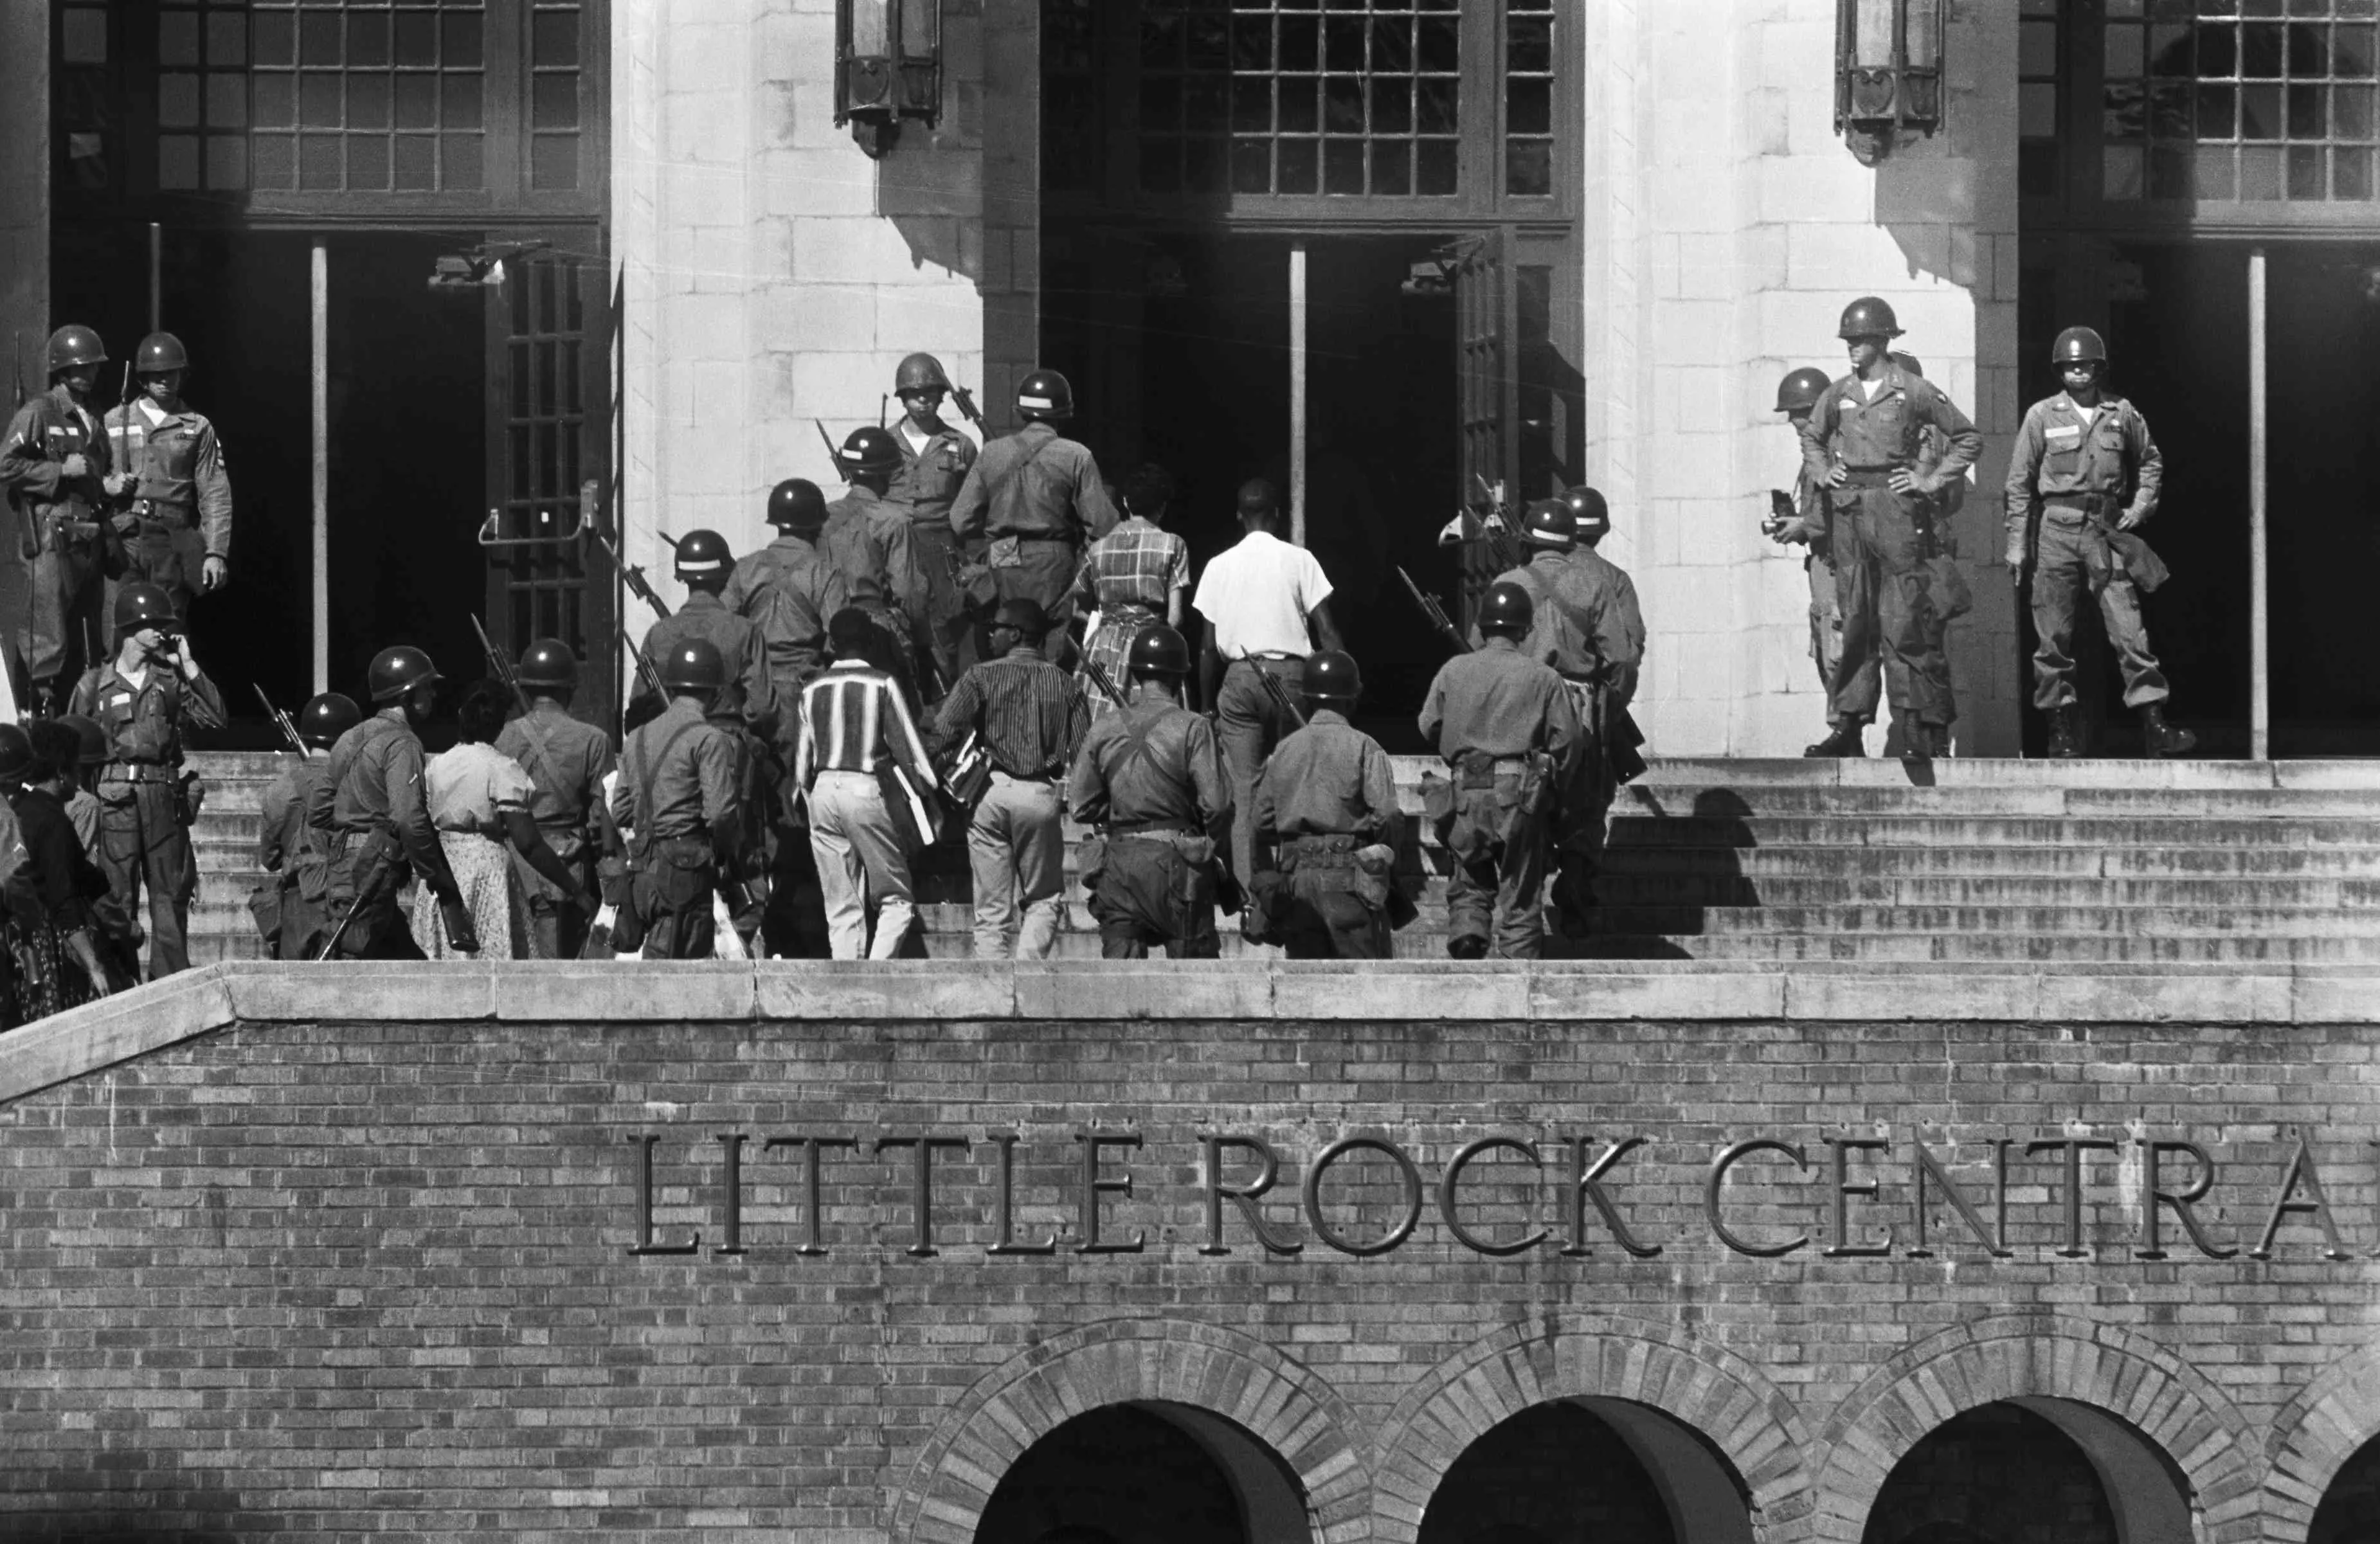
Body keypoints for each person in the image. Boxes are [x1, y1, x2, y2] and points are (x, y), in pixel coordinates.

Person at [1798, 296, 1982, 762]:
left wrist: (1930, 480)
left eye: (1860, 341)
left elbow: (1967, 438)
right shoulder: (1837, 393)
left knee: (1905, 622)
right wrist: (1821, 472)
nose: (1852, 349)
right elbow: (1812, 438)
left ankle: (1919, 726)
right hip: (1848, 514)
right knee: (1854, 620)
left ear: (1882, 341)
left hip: (1896, 513)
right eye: (1849, 341)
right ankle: (1849, 725)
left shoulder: (1913, 391)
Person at [2004, 327, 2194, 759]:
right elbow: (2018, 483)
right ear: (2059, 370)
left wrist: (2141, 505)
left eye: (2085, 364)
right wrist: (2017, 542)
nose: (2077, 372)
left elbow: (2149, 460)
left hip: (2106, 530)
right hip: (2056, 529)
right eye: (2069, 365)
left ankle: (2155, 726)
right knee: (2054, 637)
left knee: (2130, 632)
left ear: (2098, 367)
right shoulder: (2041, 415)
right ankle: (2060, 732)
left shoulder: (2121, 412)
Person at [66, 582, 225, 980]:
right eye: (153, 623)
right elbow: (68, 746)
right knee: (117, 896)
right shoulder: (93, 685)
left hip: (163, 796)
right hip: (115, 799)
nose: (161, 631)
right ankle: (118, 984)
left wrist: (188, 664)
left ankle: (170, 985)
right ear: (129, 627)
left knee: (170, 895)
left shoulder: (169, 679)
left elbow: (217, 718)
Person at [1193, 478, 1343, 886]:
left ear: (1239, 516)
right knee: (1294, 778)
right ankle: (1295, 884)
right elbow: (1326, 632)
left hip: (1241, 680)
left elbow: (1207, 648)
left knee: (1244, 790)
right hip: (1295, 678)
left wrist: (1207, 706)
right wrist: (1342, 694)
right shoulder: (1300, 559)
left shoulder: (1218, 565)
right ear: (1277, 515)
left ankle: (1250, 895)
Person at [1420, 581, 1581, 961]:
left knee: (1469, 877)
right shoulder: (1543, 677)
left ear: (1483, 627)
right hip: (1518, 793)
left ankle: (1468, 935)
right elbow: (1568, 740)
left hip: (1465, 792)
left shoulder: (1452, 670)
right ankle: (1516, 976)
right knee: (1521, 892)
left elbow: (1429, 725)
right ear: (1525, 629)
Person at [931, 598, 1087, 960]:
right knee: (1044, 898)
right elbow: (1083, 754)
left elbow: (945, 731)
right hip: (1040, 794)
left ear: (1015, 633)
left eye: (996, 629)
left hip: (989, 791)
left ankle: (993, 987)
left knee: (990, 909)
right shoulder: (1067, 684)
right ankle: (1028, 976)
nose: (991, 635)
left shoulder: (979, 675)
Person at [1067, 624, 1232, 960]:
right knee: (1195, 988)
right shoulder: (1193, 726)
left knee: (1121, 991)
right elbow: (1217, 804)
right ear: (1180, 677)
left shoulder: (1105, 727)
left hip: (1119, 866)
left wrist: (1123, 805)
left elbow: (1080, 806)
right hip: (1178, 866)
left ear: (1136, 673)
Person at [308, 646, 478, 960]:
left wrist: (353, 828)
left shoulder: (348, 738)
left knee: (404, 959)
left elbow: (318, 811)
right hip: (372, 867)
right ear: (406, 695)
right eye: (427, 688)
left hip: (346, 862)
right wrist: (436, 875)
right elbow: (408, 818)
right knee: (350, 960)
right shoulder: (403, 742)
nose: (433, 696)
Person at [793, 610, 941, 960]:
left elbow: (801, 770)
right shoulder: (882, 684)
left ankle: (847, 981)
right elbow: (912, 754)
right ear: (872, 642)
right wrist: (929, 796)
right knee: (896, 897)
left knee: (842, 903)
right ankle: (877, 971)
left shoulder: (811, 690)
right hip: (865, 788)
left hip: (823, 791)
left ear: (831, 644)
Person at [1, 325, 130, 714]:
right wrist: (59, 470)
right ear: (62, 368)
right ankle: (36, 716)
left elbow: (94, 476)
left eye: (93, 366)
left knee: (87, 636)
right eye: (80, 366)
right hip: (52, 538)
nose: (88, 373)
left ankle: (80, 719)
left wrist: (107, 485)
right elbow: (6, 466)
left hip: (89, 538)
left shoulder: (93, 418)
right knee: (47, 636)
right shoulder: (39, 411)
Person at [415, 681, 593, 959]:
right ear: (498, 726)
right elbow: (528, 843)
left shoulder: (437, 765)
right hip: (487, 874)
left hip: (443, 871)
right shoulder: (501, 768)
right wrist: (574, 889)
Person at [1250, 650, 1403, 959]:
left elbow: (1261, 822)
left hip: (1297, 881)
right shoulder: (1364, 746)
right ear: (1353, 697)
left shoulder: (1284, 749)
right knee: (1357, 987)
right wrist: (1382, 857)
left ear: (1308, 697)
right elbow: (1387, 815)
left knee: (1305, 985)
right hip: (1348, 878)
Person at [947, 367, 1121, 638]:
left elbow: (960, 520)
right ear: (1065, 412)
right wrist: (1081, 559)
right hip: (1055, 562)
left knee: (1005, 641)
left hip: (1002, 555)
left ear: (1020, 410)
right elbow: (1104, 527)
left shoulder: (991, 453)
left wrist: (990, 547)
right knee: (1049, 649)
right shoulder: (1077, 455)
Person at [611, 640, 746, 960]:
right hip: (685, 872)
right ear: (715, 693)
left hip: (643, 870)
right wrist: (726, 857)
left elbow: (620, 810)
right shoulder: (708, 739)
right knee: (679, 977)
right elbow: (719, 815)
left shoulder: (637, 738)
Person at [495, 639, 617, 957]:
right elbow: (601, 815)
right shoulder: (595, 740)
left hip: (514, 864)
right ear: (571, 688)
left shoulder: (503, 735)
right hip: (568, 864)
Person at [101, 331, 233, 624]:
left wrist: (216, 552)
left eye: (172, 373)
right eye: (157, 373)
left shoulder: (198, 426)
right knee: (120, 626)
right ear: (142, 377)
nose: (165, 379)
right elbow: (88, 476)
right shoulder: (114, 420)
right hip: (125, 537)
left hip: (171, 540)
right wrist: (107, 485)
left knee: (166, 627)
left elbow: (215, 492)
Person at [1765, 366, 1862, 744]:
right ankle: (1844, 732)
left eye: (1799, 413)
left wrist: (1803, 527)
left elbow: (1843, 510)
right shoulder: (1815, 456)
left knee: (1838, 648)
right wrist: (1794, 522)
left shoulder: (1841, 452)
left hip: (1840, 563)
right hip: (1822, 565)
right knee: (1824, 647)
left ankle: (1845, 729)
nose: (1793, 421)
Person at [1, 723, 113, 1018]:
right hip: (34, 943)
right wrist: (94, 965)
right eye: (78, 770)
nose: (79, 782)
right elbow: (62, 897)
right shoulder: (50, 821)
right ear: (63, 772)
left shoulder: (22, 810)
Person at [884, 352, 982, 688]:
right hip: (894, 546)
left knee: (946, 626)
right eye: (914, 393)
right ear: (902, 398)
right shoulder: (884, 444)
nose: (923, 399)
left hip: (942, 548)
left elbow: (975, 506)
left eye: (930, 392)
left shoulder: (961, 445)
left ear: (942, 395)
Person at [725, 478, 849, 740]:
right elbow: (838, 641)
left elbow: (725, 631)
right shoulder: (824, 572)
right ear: (817, 526)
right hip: (805, 691)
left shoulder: (746, 568)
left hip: (750, 695)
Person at [627, 529, 776, 735]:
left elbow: (639, 705)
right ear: (726, 576)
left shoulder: (658, 633)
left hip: (674, 745)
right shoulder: (745, 631)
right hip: (729, 747)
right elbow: (763, 709)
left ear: (682, 577)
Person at [1073, 463, 1189, 723]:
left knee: (1097, 728)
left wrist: (1108, 620)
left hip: (1103, 650)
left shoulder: (1098, 549)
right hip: (1153, 650)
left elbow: (1078, 605)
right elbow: (1175, 618)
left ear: (1125, 502)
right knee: (1152, 730)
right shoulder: (1173, 546)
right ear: (1163, 506)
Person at [251, 691, 359, 962]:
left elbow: (270, 859)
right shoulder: (359, 785)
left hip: (298, 903)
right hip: (347, 901)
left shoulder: (280, 788)